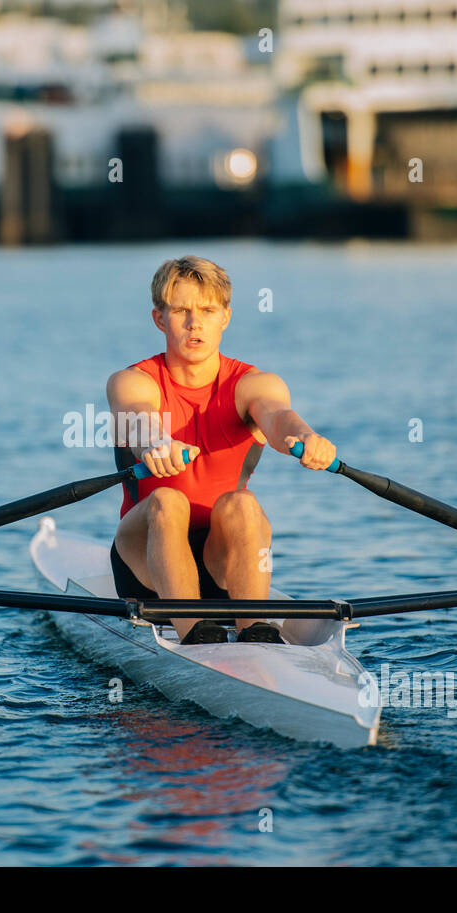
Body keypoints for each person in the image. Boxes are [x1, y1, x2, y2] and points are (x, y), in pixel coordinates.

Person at [107, 255, 338, 644]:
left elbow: (280, 418)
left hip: (223, 564)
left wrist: (307, 438)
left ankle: (256, 633)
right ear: (159, 320)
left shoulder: (254, 384)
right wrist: (155, 444)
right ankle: (194, 635)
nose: (195, 323)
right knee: (167, 499)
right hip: (146, 565)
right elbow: (138, 418)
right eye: (181, 310)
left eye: (207, 310)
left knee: (242, 504)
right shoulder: (131, 382)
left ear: (225, 317)